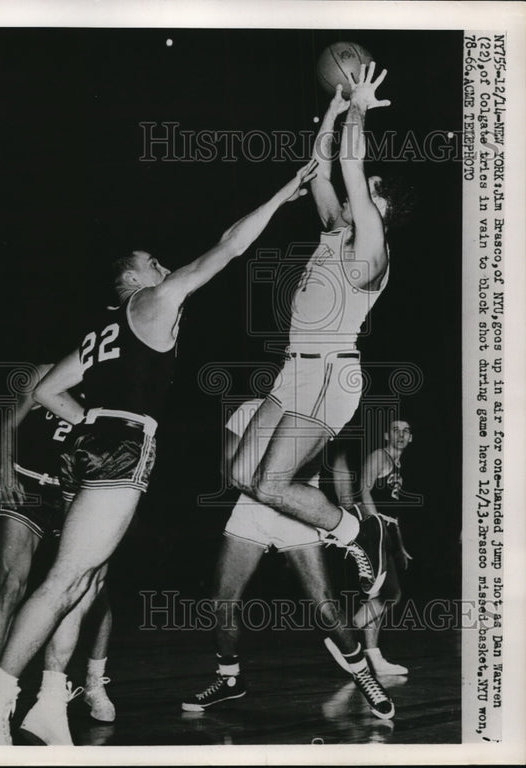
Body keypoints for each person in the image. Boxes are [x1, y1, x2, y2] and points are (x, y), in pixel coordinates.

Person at [0, 159, 318, 745]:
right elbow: (229, 247)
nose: (165, 267)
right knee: (67, 577)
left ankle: (50, 701)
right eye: (153, 263)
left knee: (88, 580)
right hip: (119, 449)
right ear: (133, 278)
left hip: (93, 448)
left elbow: (47, 391)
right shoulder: (153, 302)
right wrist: (282, 196)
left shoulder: (102, 332)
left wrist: (91, 421)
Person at [229, 63, 414, 597]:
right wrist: (332, 114)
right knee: (242, 476)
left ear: (382, 208)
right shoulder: (337, 229)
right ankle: (353, 530)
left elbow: (352, 164)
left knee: (271, 484)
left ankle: (362, 533)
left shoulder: (372, 245)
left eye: (370, 191)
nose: (359, 193)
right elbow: (322, 173)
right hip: (293, 371)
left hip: (330, 375)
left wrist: (358, 105)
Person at [181, 399, 395, 719]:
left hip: (297, 514)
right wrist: (269, 491)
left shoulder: (318, 410)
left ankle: (363, 674)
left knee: (325, 606)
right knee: (222, 602)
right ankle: (229, 678)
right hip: (251, 510)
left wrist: (339, 516)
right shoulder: (251, 409)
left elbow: (339, 471)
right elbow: (228, 466)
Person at [0, 363, 116, 737]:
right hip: (28, 485)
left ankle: (93, 683)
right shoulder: (45, 371)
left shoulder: (116, 380)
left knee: (93, 590)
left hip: (74, 494)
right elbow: (8, 424)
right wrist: (2, 469)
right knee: (11, 582)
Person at [351, 419, 414, 675]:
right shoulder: (380, 456)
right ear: (387, 435)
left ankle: (374, 658)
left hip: (386, 530)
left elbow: (393, 512)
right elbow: (363, 491)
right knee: (391, 595)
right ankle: (342, 634)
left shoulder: (398, 464)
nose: (401, 434)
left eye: (406, 431)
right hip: (373, 530)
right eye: (396, 430)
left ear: (411, 438)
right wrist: (375, 528)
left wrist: (400, 545)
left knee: (377, 597)